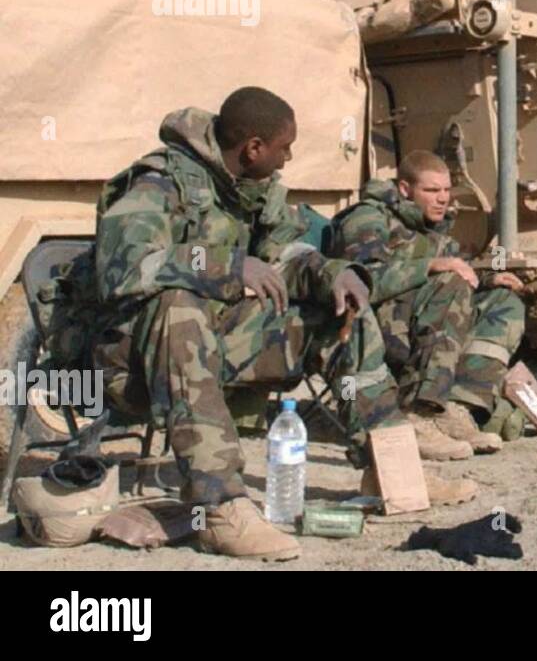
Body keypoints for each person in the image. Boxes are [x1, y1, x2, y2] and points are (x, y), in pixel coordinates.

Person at [91, 88, 473, 560]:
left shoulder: (254, 189)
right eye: (284, 148)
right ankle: (218, 508)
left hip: (216, 337)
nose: (287, 159)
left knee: (339, 317)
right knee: (178, 304)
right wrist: (228, 266)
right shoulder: (160, 182)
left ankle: (388, 467)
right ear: (252, 148)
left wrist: (333, 274)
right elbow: (122, 267)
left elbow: (285, 251)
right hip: (137, 354)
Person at [331, 151, 529, 453]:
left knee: (503, 301)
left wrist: (487, 280)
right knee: (449, 282)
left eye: (447, 190)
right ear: (405, 189)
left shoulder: (431, 228)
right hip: (369, 327)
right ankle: (419, 413)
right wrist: (431, 266)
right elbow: (359, 280)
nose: (443, 199)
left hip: (419, 321)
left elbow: (450, 270)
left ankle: (457, 408)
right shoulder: (369, 217)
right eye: (432, 190)